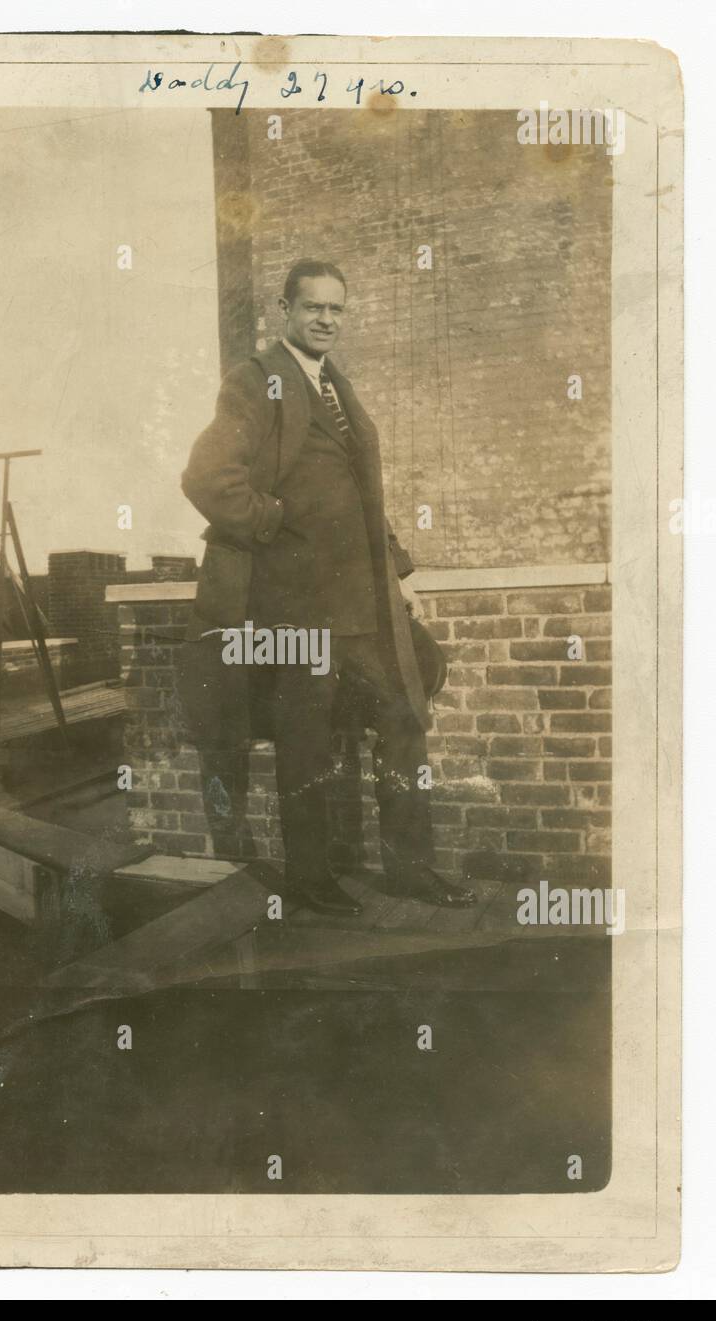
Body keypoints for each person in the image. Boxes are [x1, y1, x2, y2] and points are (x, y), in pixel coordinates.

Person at [181, 259, 475, 916]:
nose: (325, 320)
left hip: (360, 602)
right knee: (305, 739)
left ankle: (410, 866)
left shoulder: (337, 388)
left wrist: (397, 574)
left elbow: (358, 494)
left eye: (337, 309)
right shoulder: (256, 383)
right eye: (313, 307)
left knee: (404, 715)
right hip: (292, 605)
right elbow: (206, 478)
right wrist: (275, 522)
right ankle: (309, 878)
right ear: (284, 310)